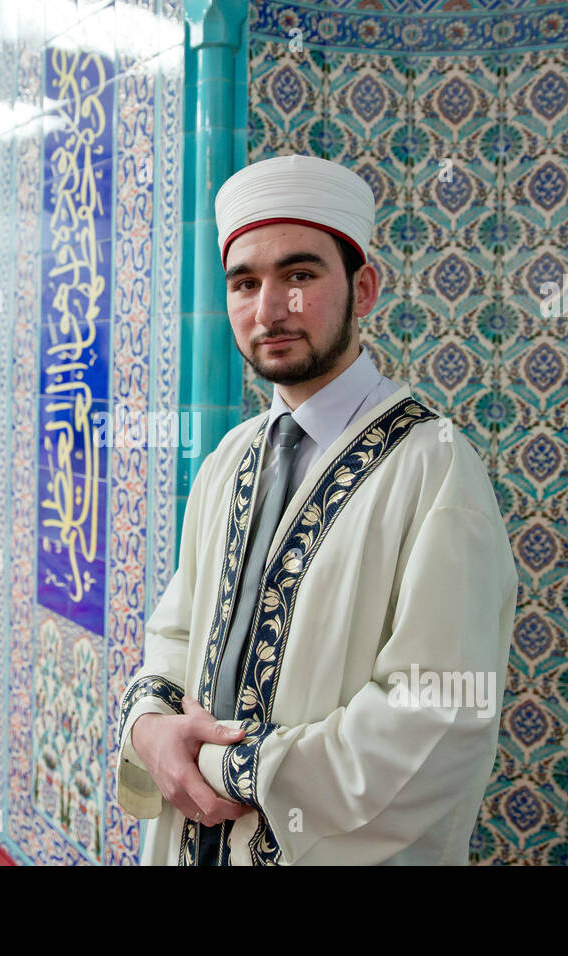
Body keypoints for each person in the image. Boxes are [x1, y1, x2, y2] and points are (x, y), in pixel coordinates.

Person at [115, 155, 519, 865]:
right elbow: (178, 629)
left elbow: (439, 715)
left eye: (299, 277)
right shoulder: (228, 461)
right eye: (246, 283)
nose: (270, 310)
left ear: (363, 289)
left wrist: (233, 770)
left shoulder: (434, 467)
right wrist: (150, 726)